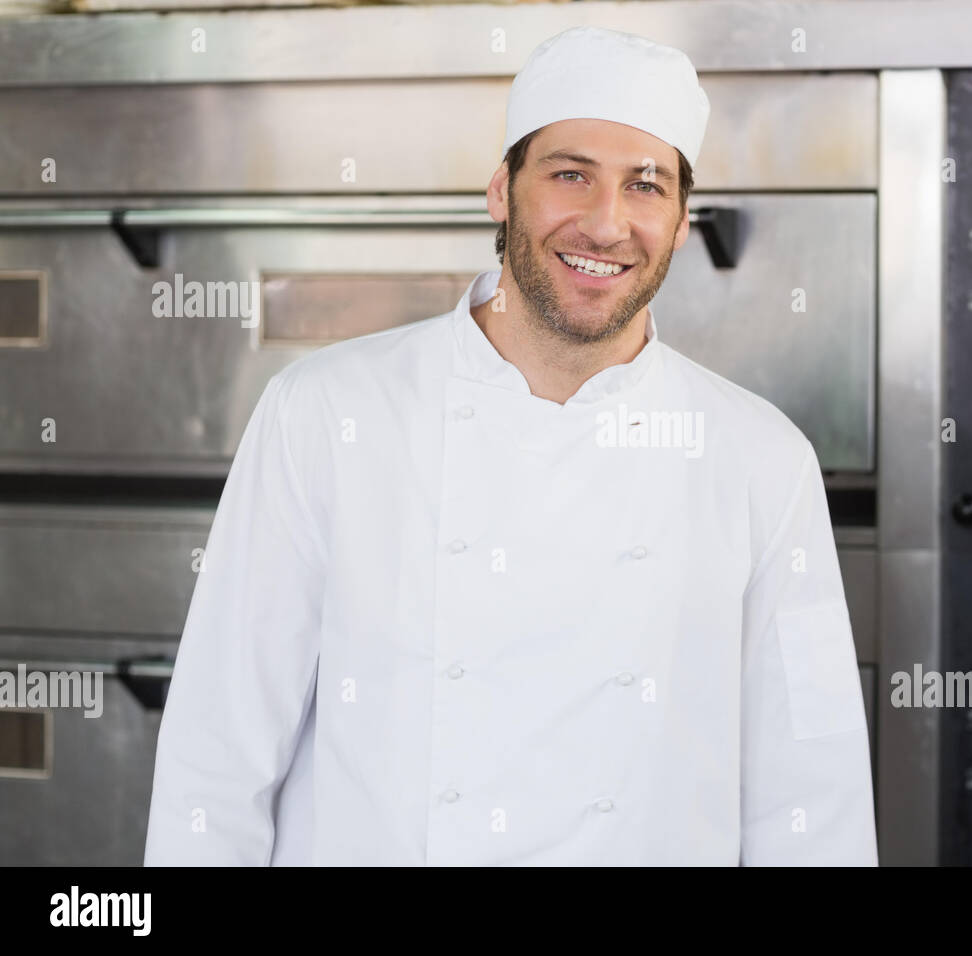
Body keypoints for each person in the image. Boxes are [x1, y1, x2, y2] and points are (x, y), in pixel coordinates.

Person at [143, 25, 876, 866]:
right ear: (502, 190)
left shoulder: (759, 458)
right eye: (571, 175)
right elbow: (218, 754)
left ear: (679, 224)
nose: (607, 224)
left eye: (646, 186)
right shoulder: (325, 413)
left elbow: (809, 796)